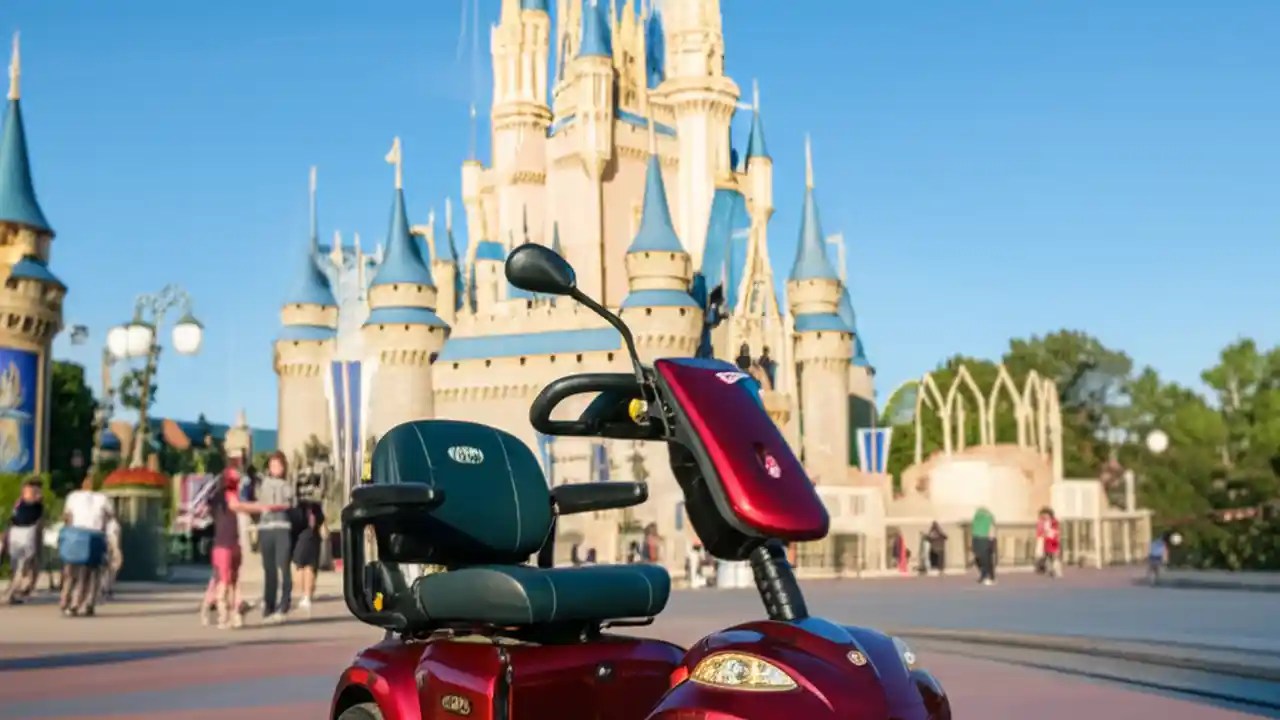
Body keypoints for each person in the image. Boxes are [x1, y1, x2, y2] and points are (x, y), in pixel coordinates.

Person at [59, 478, 114, 617]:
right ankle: (86, 603)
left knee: (71, 570)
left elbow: (67, 517)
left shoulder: (72, 496)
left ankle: (66, 599)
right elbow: (109, 516)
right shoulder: (103, 498)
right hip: (94, 535)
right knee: (91, 572)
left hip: (75, 534)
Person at [258, 451, 297, 623]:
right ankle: (269, 603)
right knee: (269, 568)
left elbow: (291, 503)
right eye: (272, 465)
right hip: (266, 528)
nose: (275, 468)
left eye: (278, 465)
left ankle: (285, 601)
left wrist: (280, 505)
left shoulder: (288, 485)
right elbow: (258, 502)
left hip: (282, 528)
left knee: (283, 565)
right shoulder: (263, 484)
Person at [4, 478, 45, 604]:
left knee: (17, 565)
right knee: (22, 566)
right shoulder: (37, 501)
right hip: (27, 532)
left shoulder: (20, 502)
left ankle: (15, 591)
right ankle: (12, 593)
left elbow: (13, 517)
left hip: (16, 531)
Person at [291, 499, 326, 617]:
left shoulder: (299, 507)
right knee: (307, 567)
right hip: (311, 537)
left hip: (301, 537)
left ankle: (305, 595)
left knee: (302, 567)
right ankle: (306, 595)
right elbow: (321, 522)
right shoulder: (314, 507)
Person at [971, 506, 997, 586]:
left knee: (987, 560)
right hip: (978, 539)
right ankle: (984, 574)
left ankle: (990, 577)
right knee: (979, 559)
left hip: (985, 540)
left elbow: (992, 530)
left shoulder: (988, 518)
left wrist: (991, 540)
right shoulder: (976, 519)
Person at [100, 516, 123, 600]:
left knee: (107, 569)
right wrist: (116, 549)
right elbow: (114, 537)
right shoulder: (113, 524)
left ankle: (105, 588)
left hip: (105, 546)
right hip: (110, 547)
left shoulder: (107, 523)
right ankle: (107, 589)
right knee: (110, 569)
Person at [1035, 507, 1062, 578]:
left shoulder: (1054, 522)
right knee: (1047, 556)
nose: (1044, 516)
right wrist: (1042, 535)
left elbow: (1056, 531)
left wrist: (1049, 533)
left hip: (1053, 541)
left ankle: (1057, 571)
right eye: (1043, 515)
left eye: (1046, 515)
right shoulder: (1041, 522)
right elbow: (1039, 532)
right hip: (1045, 541)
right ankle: (1050, 570)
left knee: (1055, 556)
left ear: (1049, 514)